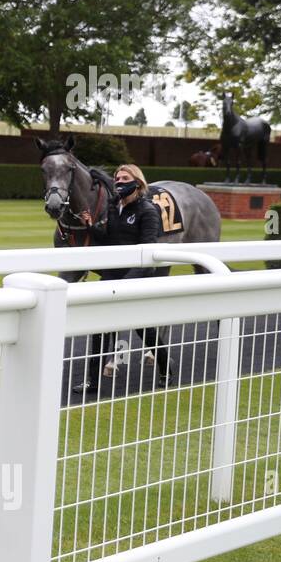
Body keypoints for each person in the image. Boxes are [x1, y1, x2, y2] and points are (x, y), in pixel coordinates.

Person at [73, 163, 172, 394]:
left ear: (137, 183)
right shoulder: (112, 207)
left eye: (124, 178)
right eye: (117, 178)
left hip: (133, 281)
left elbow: (148, 253)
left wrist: (128, 282)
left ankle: (166, 370)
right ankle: (93, 381)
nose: (118, 182)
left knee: (143, 331)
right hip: (110, 278)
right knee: (99, 329)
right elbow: (108, 240)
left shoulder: (148, 211)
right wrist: (90, 226)